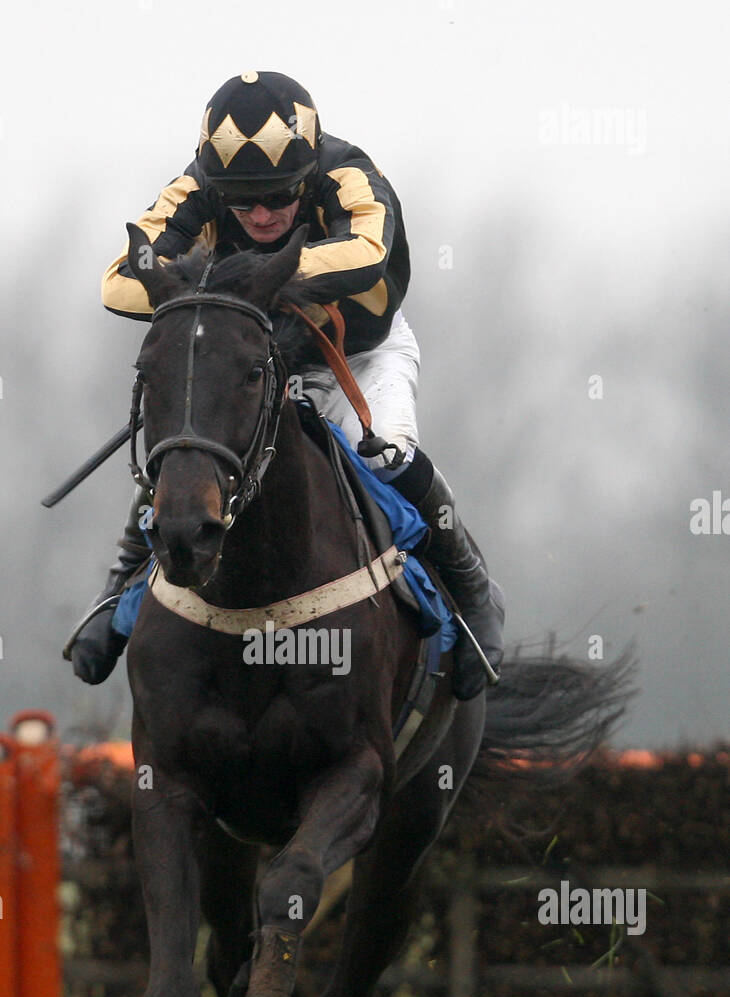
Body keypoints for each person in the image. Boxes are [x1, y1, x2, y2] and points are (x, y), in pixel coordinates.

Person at [69, 70, 504, 700]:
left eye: (278, 197)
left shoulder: (349, 173)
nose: (262, 214)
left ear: (305, 175)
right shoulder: (195, 185)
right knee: (193, 449)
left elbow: (369, 251)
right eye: (242, 203)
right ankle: (117, 589)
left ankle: (471, 591)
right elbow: (120, 279)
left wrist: (257, 275)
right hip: (251, 351)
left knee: (386, 455)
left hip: (357, 353)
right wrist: (216, 292)